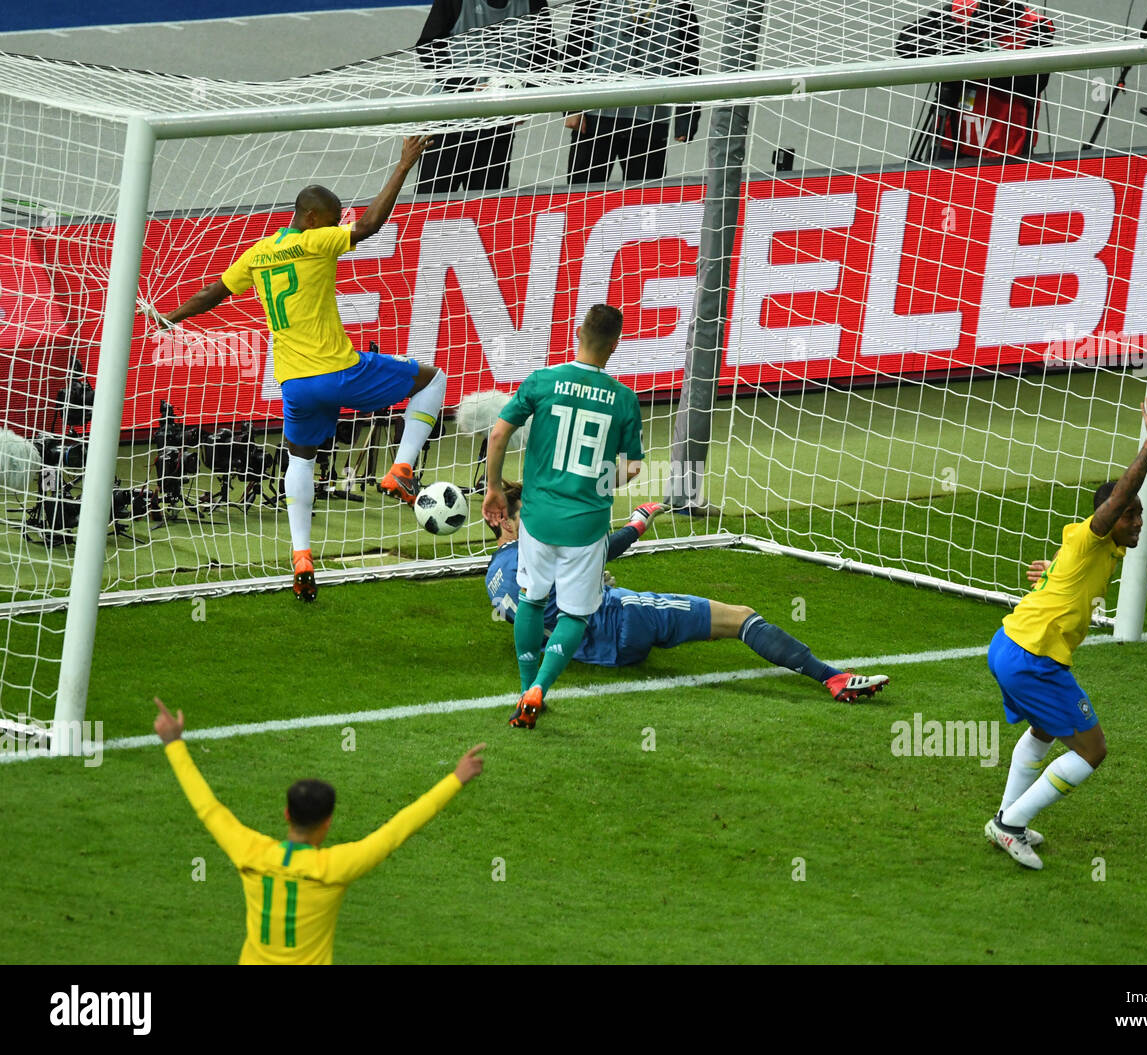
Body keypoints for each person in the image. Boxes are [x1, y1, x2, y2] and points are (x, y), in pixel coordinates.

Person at [157, 136, 448, 602]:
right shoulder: (315, 241)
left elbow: (213, 294)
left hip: (294, 383)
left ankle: (301, 555)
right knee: (432, 379)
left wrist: (168, 318)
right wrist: (403, 165)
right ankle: (401, 468)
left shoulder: (258, 253)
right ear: (312, 219)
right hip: (341, 370)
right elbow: (371, 224)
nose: (337, 227)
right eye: (333, 220)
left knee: (300, 457)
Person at [983, 397, 1147, 870]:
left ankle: (1005, 817)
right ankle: (1011, 826)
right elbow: (1114, 503)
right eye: (1130, 514)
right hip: (1034, 659)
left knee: (1044, 728)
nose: (1137, 520)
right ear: (1110, 519)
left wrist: (1050, 573)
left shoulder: (1098, 551)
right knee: (1094, 750)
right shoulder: (1094, 535)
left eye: (1139, 513)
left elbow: (1068, 574)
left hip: (1010, 647)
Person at [153, 697, 485, 964]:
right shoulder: (334, 868)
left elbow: (208, 808)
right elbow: (396, 831)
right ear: (328, 821)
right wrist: (455, 779)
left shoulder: (249, 852)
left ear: (286, 814)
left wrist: (174, 744)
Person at [486, 486, 889, 704]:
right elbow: (599, 552)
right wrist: (639, 523)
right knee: (741, 617)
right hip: (623, 617)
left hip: (591, 652)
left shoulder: (493, 575)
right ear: (506, 520)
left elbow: (533, 617)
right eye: (530, 512)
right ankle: (832, 678)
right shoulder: (537, 548)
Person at [481, 304, 644, 729]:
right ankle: (542, 689)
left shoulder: (543, 381)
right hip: (586, 524)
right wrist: (595, 484)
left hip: (537, 518)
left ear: (577, 333)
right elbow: (632, 468)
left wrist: (494, 487)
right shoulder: (625, 400)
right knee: (575, 614)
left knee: (532, 599)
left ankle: (524, 687)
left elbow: (498, 433)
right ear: (614, 345)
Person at [414, 0, 559, 194]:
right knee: (432, 207)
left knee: (487, 211)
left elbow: (546, 55)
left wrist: (526, 99)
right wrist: (467, 88)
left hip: (497, 130)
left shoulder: (533, 2)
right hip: (447, 128)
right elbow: (427, 48)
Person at [562, 0, 701, 184]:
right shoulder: (592, 3)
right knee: (582, 195)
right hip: (595, 118)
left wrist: (686, 119)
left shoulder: (680, 5)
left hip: (650, 119)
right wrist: (571, 108)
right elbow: (574, 50)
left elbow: (688, 62)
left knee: (646, 201)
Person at [897, 0, 1054, 163]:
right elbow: (904, 45)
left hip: (1006, 148)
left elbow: (1033, 83)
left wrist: (970, 55)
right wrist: (945, 45)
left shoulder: (1035, 25)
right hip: (950, 140)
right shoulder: (959, 9)